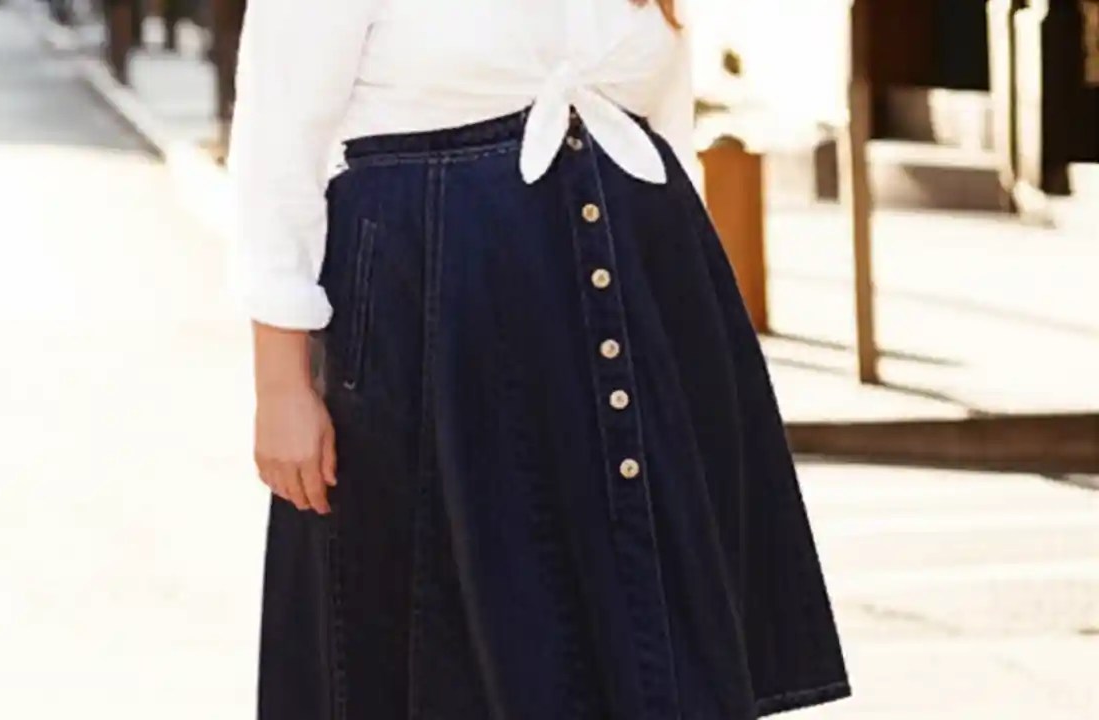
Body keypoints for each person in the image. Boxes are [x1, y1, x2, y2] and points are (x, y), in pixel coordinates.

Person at [227, 1, 851, 718]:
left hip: (640, 317)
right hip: (431, 326)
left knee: (653, 655)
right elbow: (277, 144)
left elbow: (667, 137)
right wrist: (281, 382)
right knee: (460, 650)